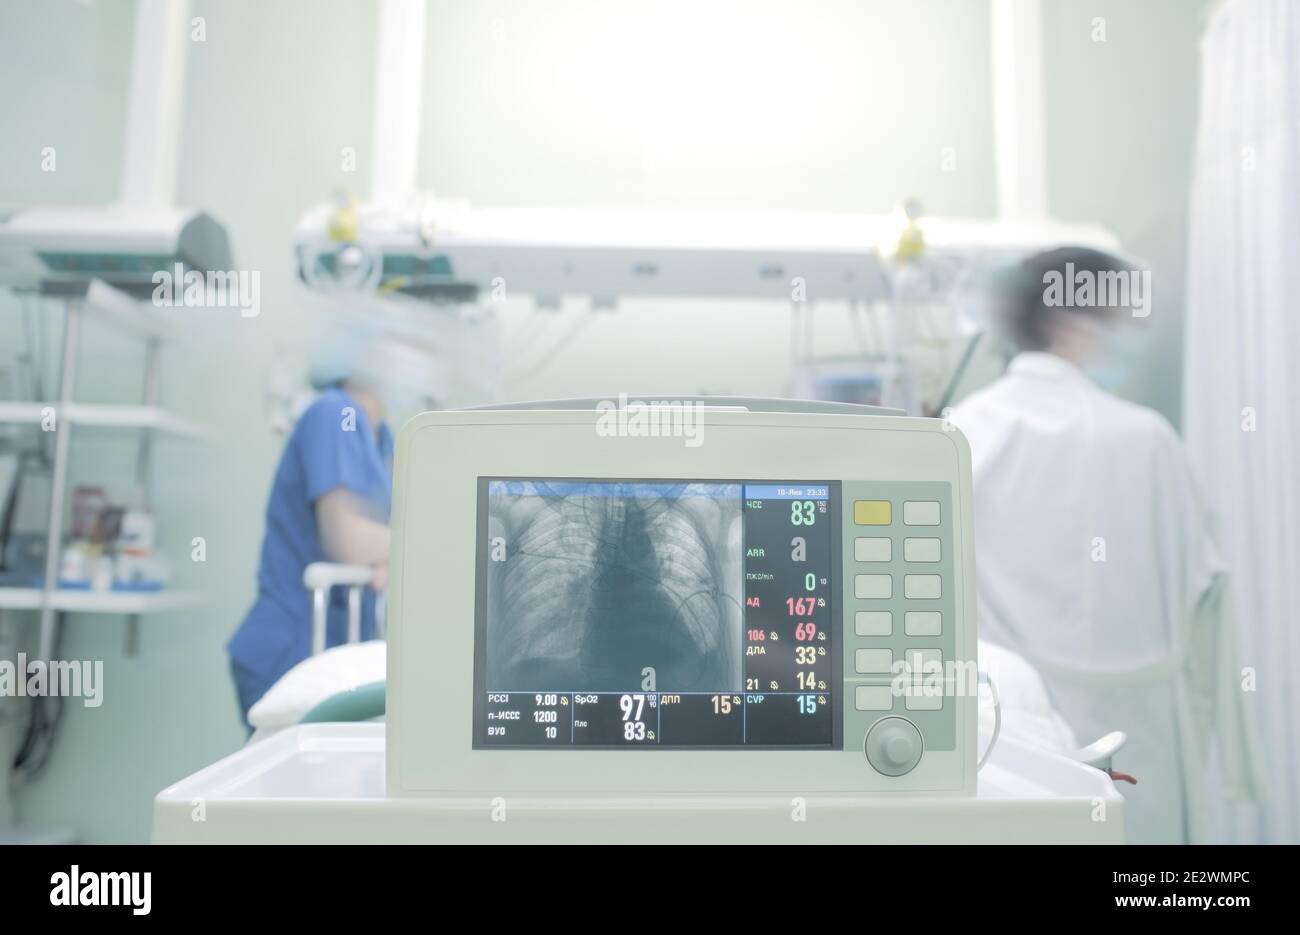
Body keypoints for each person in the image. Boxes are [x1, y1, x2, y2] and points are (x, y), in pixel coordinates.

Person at [948, 247, 1265, 843]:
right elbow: (1211, 609)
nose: (1128, 337)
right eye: (1119, 320)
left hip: (1011, 747)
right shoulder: (1149, 441)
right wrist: (1237, 761)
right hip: (1145, 742)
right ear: (1070, 321)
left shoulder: (966, 434)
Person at [227, 318, 432, 726]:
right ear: (360, 359)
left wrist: (391, 556)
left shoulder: (384, 437)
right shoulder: (333, 414)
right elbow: (349, 540)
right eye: (397, 348)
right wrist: (428, 547)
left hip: (337, 643)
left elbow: (385, 538)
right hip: (292, 644)